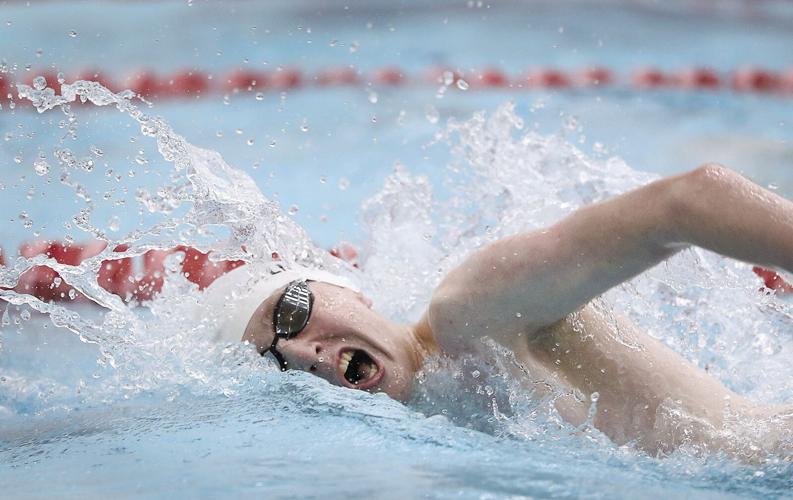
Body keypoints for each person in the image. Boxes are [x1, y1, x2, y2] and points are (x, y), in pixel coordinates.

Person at [202, 163, 793, 460]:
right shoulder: (445, 419)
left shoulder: (471, 314)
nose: (303, 354)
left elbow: (692, 199)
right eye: (277, 363)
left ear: (354, 293)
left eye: (292, 313)